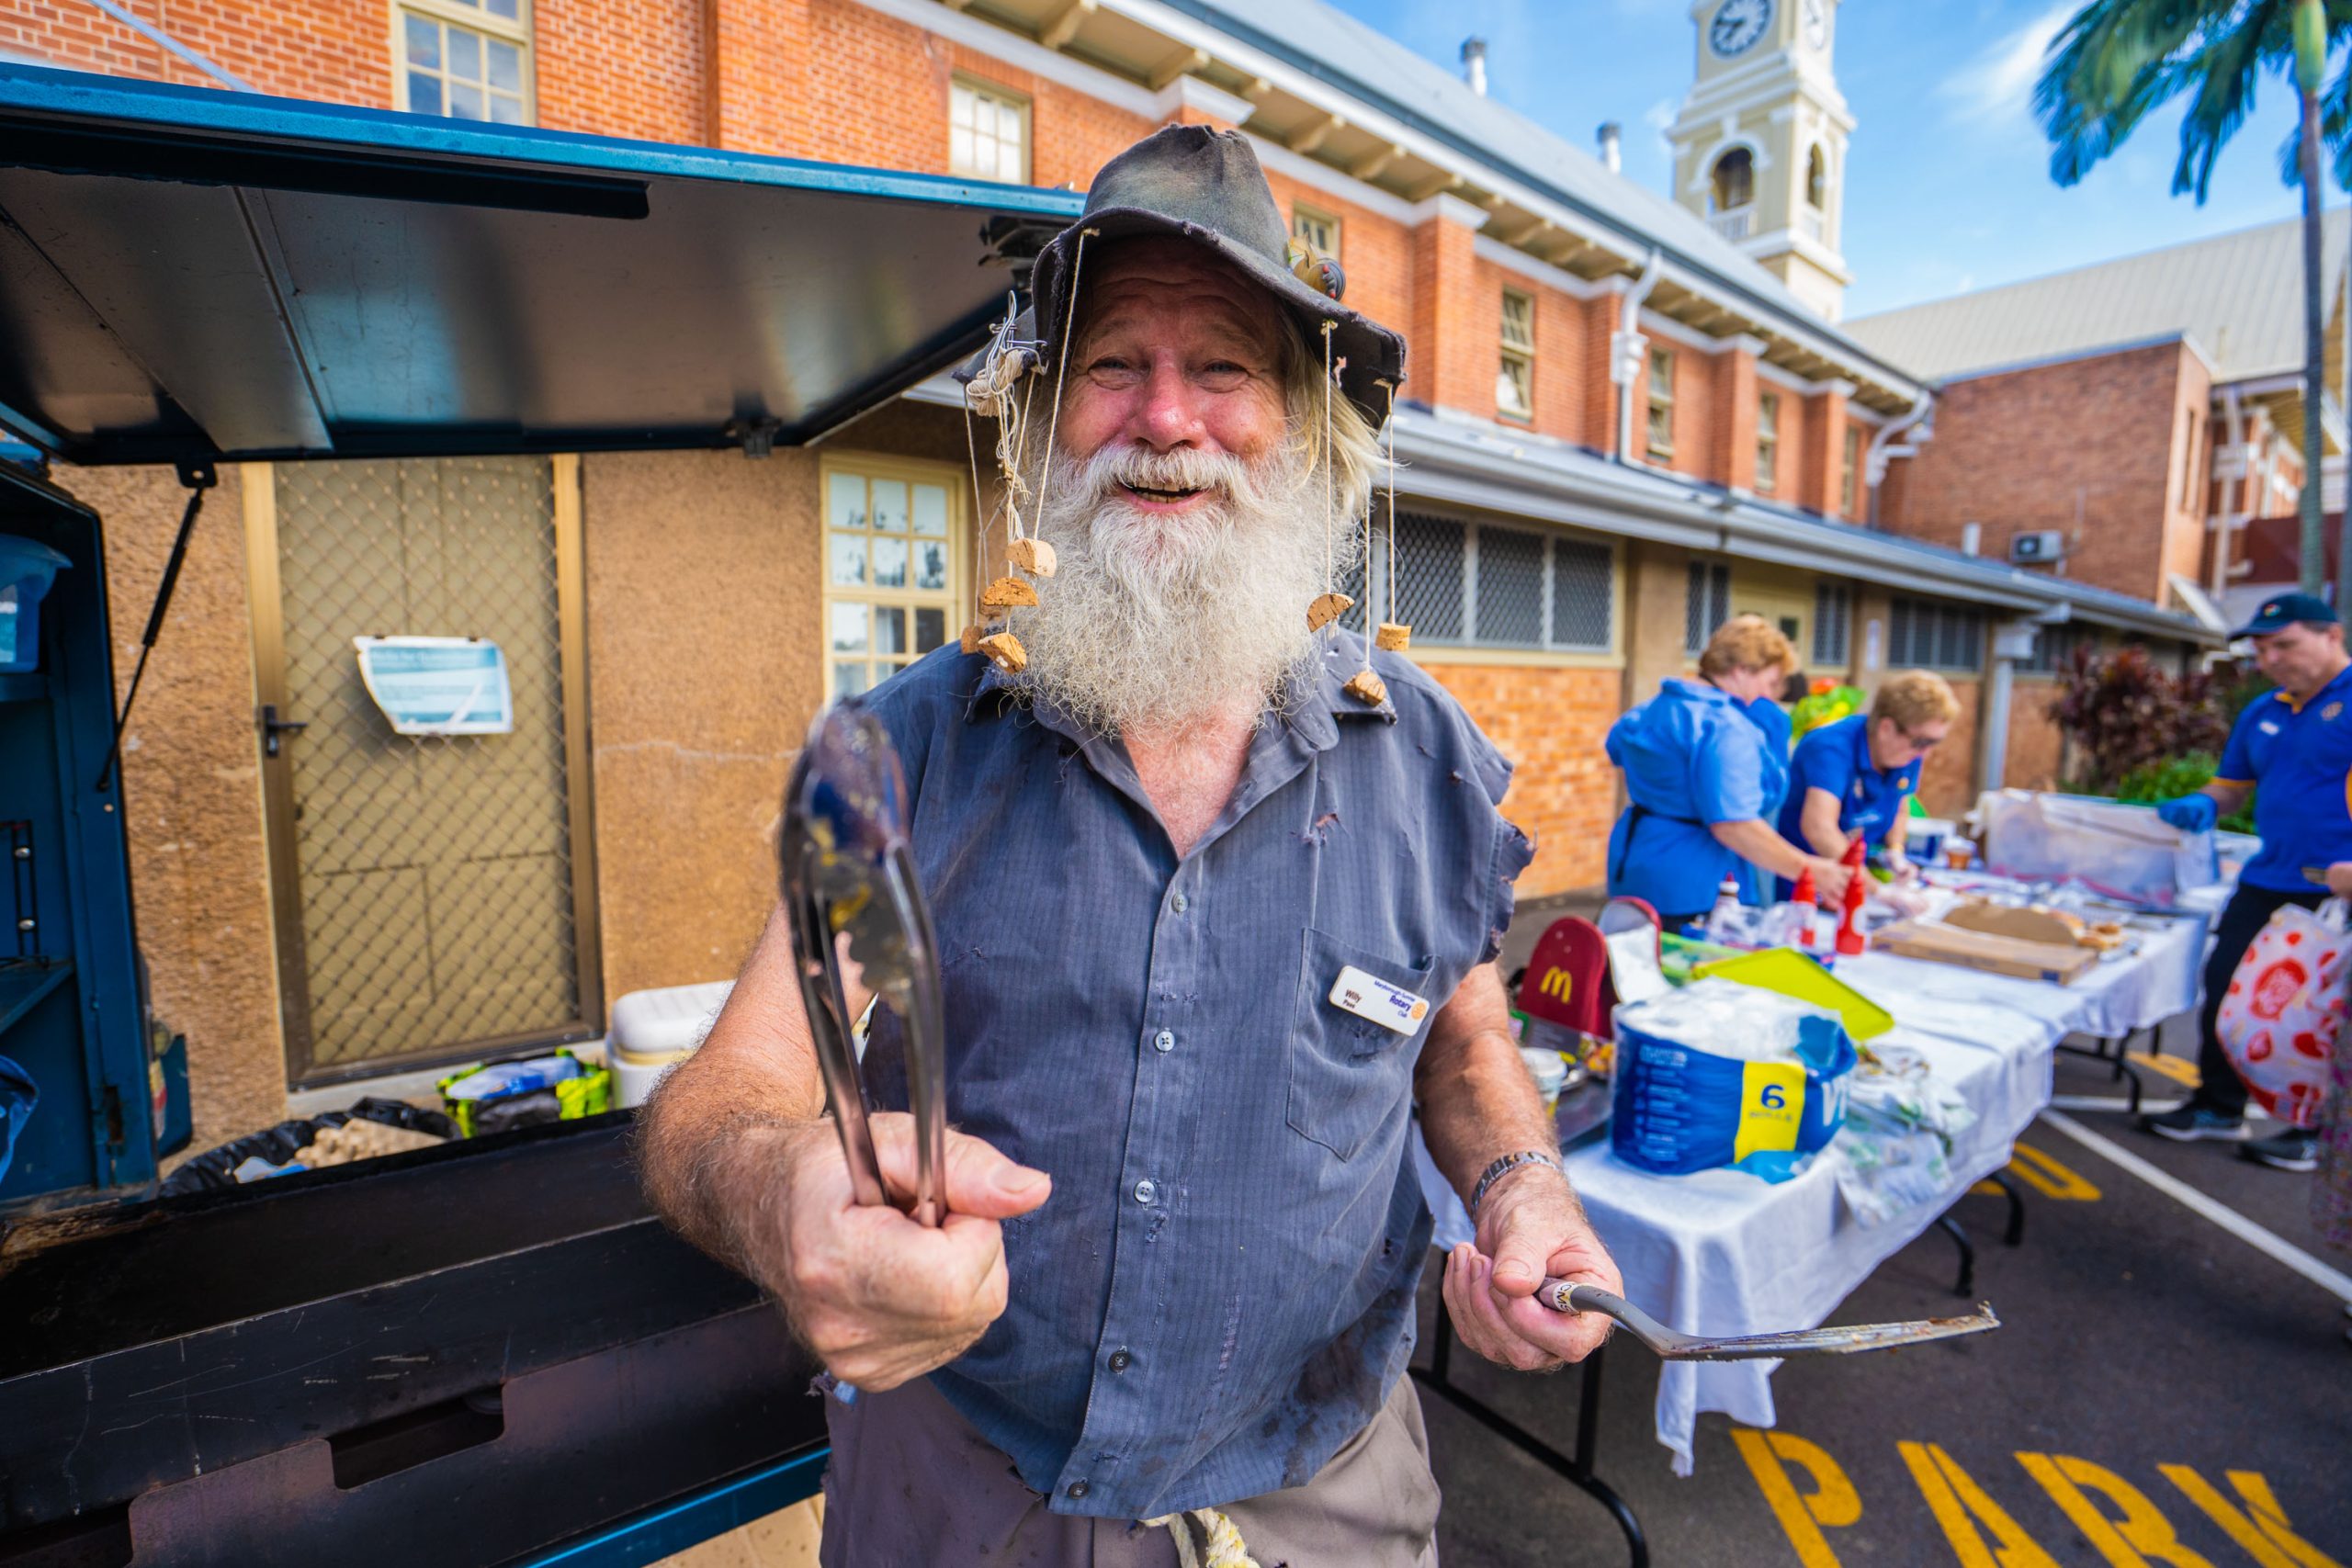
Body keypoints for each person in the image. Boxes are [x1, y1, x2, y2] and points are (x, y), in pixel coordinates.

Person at [637, 125, 1622, 1568]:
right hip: (963, 1492)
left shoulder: (1426, 757)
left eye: (1223, 367)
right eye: (1112, 365)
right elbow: (728, 1090)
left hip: (1323, 1491)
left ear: (1305, 426)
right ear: (1044, 416)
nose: (1165, 417)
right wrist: (782, 1187)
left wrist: (1523, 1184)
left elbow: (1463, 1044)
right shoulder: (895, 750)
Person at [2143, 593, 2352, 1171]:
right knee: (2228, 987)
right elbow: (2232, 786)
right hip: (2271, 878)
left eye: (2284, 645)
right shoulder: (2264, 711)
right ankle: (2218, 1105)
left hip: (2341, 889)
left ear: (2332, 636)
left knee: (2326, 1015)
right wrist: (2204, 803)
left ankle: (2317, 1130)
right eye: (2261, 650)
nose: (2270, 660)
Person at [1604, 615, 1853, 928]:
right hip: (1697, 882)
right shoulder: (1724, 726)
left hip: (1635, 862)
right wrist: (1811, 870)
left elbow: (1616, 749)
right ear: (1741, 670)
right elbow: (1734, 825)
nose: (1768, 695)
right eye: (1770, 682)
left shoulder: (1649, 709)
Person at [1774, 670, 1960, 895]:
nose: (1925, 754)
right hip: (1800, 881)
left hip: (1850, 876)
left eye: (1934, 743)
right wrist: (1876, 890)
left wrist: (1895, 852)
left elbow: (1900, 808)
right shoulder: (1830, 748)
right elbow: (1819, 828)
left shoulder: (1908, 752)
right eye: (1921, 742)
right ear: (1886, 728)